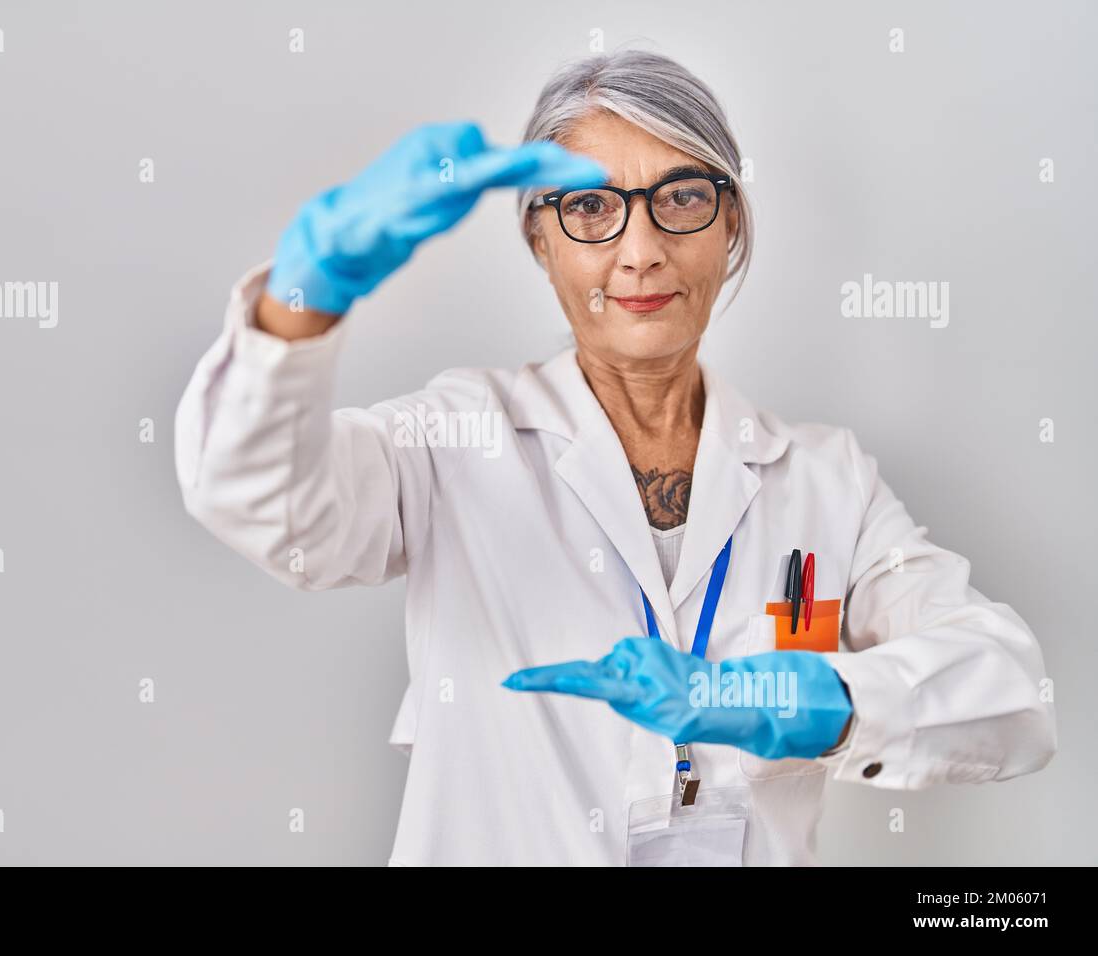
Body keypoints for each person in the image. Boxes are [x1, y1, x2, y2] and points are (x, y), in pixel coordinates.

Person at [173, 50, 1056, 865]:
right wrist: (303, 298)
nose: (641, 251)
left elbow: (1011, 693)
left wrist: (811, 703)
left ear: (730, 224)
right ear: (539, 241)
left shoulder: (827, 479)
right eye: (591, 206)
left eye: (681, 197)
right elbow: (266, 504)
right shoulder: (456, 440)